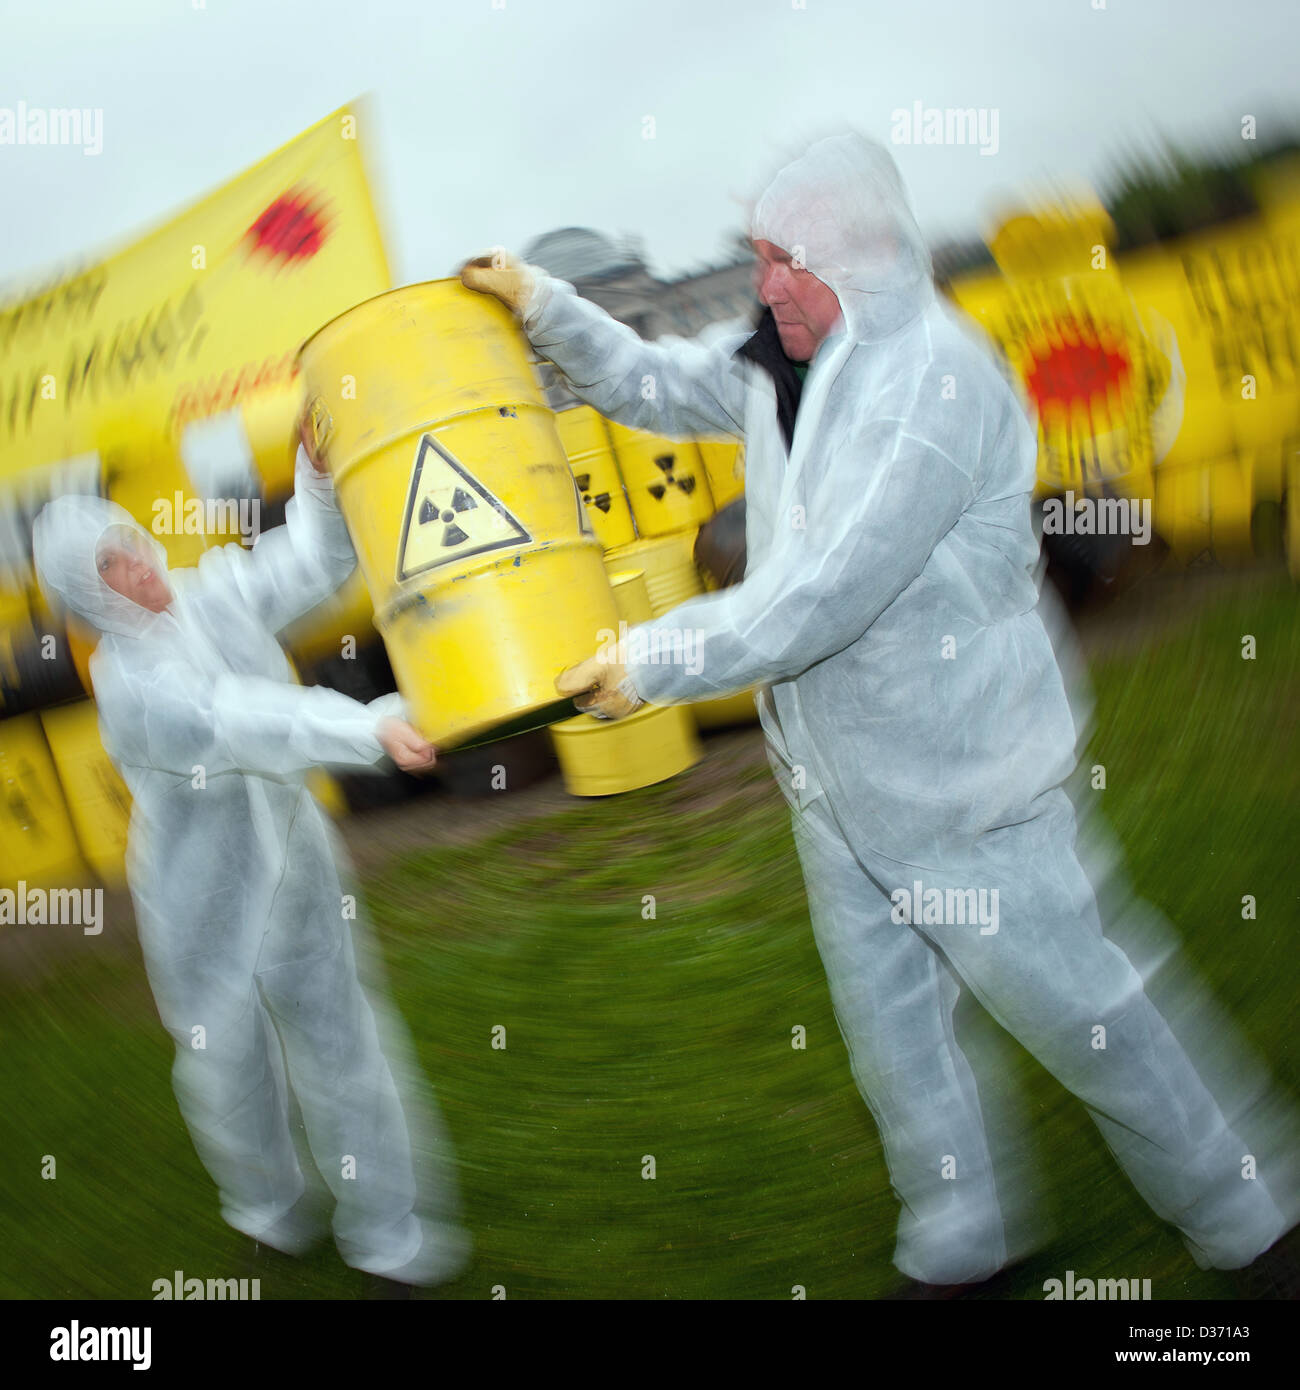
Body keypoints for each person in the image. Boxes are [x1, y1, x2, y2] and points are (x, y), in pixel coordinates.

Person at [460, 132, 1296, 1295]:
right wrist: (544, 302)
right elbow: (650, 383)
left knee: (1091, 1015)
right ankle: (964, 1244)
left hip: (966, 788)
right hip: (842, 793)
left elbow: (819, 596)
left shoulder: (932, 389)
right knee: (900, 1042)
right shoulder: (783, 360)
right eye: (757, 258)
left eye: (781, 261)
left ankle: (1254, 1220)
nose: (761, 287)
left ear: (857, 259)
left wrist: (649, 656)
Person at [32, 424, 469, 1291]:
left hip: (297, 869)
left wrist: (312, 476)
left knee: (342, 1040)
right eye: (110, 568)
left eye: (131, 546)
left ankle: (391, 1238)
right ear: (89, 593)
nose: (138, 569)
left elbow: (309, 560)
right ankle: (268, 1211)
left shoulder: (208, 594)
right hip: (203, 893)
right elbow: (239, 717)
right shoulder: (130, 687)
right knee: (225, 1058)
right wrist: (367, 726)